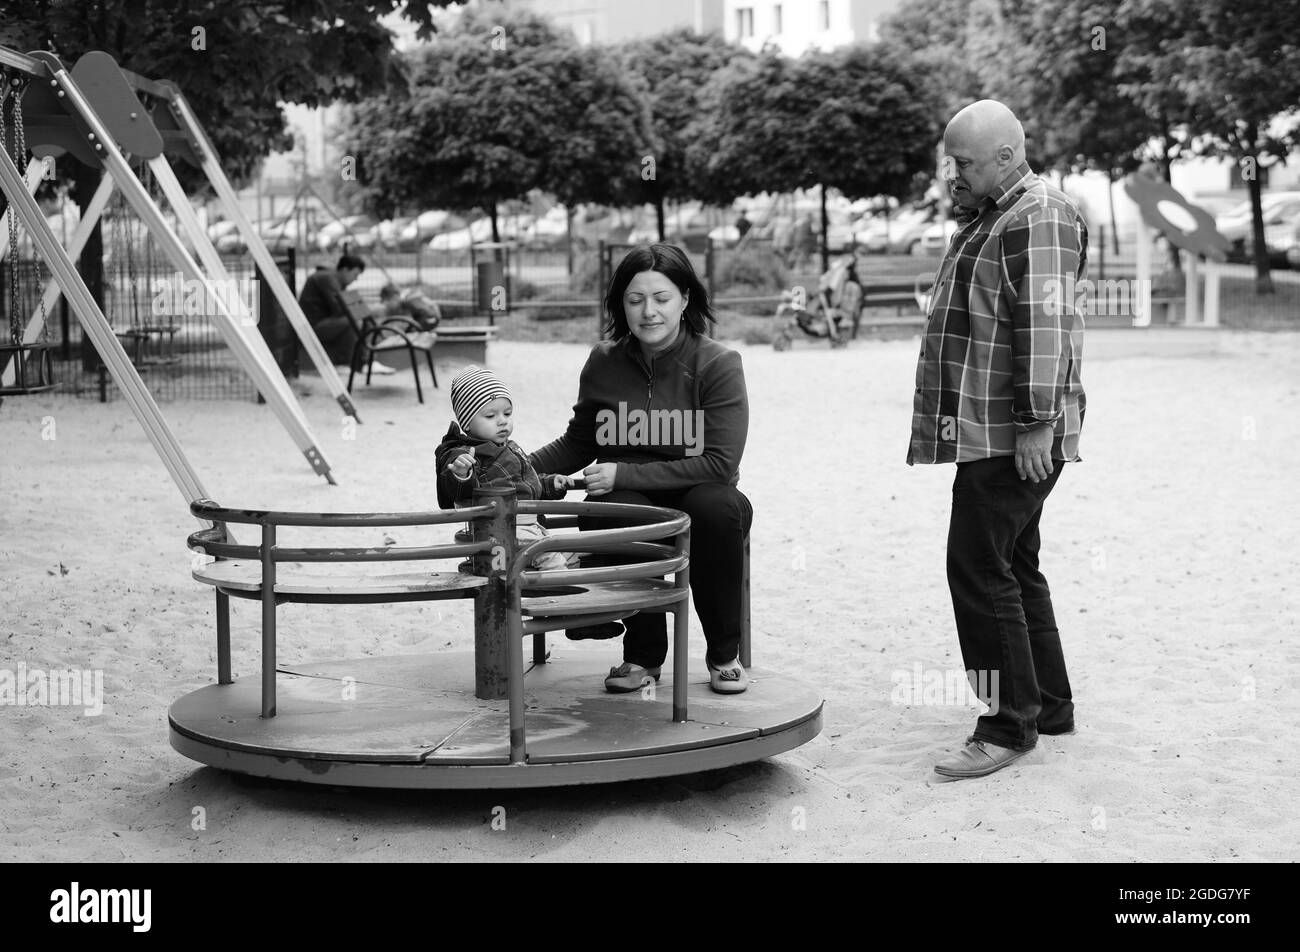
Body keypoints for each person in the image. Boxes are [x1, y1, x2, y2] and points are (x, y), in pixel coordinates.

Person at [909, 100, 1087, 780]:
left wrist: (1038, 421)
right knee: (1014, 565)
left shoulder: (1036, 214)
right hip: (997, 429)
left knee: (979, 570)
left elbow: (1044, 325)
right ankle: (1047, 705)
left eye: (964, 162)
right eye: (949, 160)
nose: (951, 173)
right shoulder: (999, 212)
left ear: (1007, 157)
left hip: (1014, 433)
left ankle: (1008, 725)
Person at [530, 243, 753, 695]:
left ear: (685, 299)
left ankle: (723, 654)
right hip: (630, 498)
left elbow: (721, 463)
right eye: (635, 301)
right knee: (617, 507)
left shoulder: (719, 364)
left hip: (702, 494)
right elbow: (580, 441)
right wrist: (514, 466)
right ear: (621, 305)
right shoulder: (604, 361)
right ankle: (642, 658)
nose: (648, 311)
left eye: (661, 298)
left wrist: (625, 473)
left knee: (715, 508)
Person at [435, 366, 577, 572]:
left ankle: (561, 593)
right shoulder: (465, 454)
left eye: (507, 413)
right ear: (467, 423)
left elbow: (523, 484)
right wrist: (461, 474)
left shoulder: (509, 448)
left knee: (571, 556)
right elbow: (459, 491)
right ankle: (561, 600)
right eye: (490, 416)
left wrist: (548, 484)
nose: (502, 421)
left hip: (529, 525)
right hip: (501, 530)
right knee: (552, 560)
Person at [296, 254, 396, 374]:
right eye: (355, 274)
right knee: (354, 320)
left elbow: (344, 307)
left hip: (321, 322)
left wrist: (363, 311)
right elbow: (340, 308)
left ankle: (367, 362)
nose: (356, 279)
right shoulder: (327, 278)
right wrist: (367, 310)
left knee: (361, 318)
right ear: (344, 270)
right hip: (311, 326)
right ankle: (349, 363)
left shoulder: (332, 279)